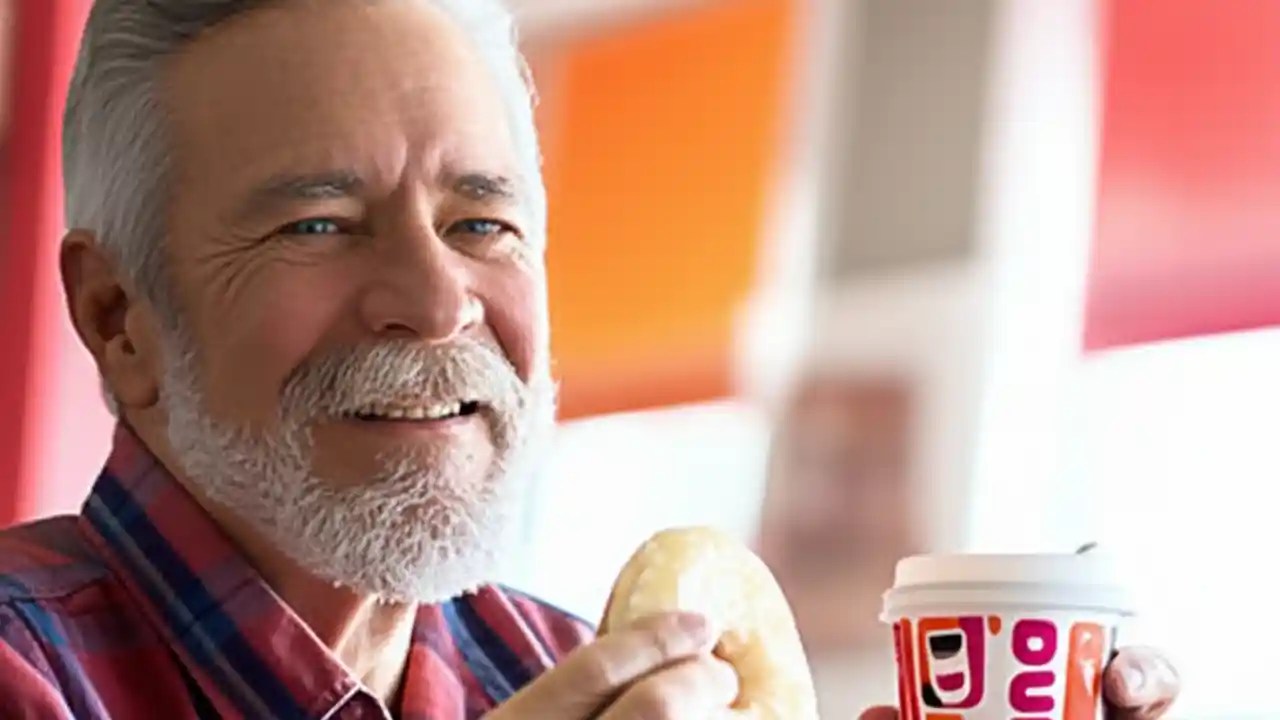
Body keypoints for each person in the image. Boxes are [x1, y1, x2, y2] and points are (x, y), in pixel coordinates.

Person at [0, 1, 1179, 718]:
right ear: (118, 319)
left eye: (483, 224)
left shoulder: (576, 668)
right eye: (318, 224)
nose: (436, 301)